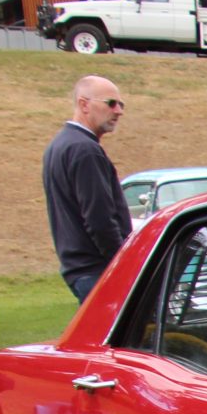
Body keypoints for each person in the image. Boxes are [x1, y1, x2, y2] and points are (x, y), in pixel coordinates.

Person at [41, 75, 132, 302]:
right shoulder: (85, 149)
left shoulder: (61, 144)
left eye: (121, 104)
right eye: (111, 103)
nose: (118, 111)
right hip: (96, 270)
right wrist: (124, 265)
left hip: (81, 269)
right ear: (84, 104)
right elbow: (99, 219)